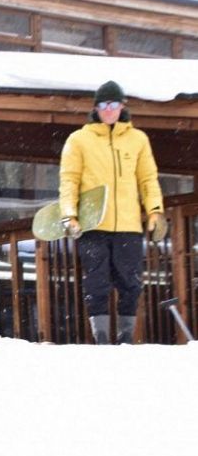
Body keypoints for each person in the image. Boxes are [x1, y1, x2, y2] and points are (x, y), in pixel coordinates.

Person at [59, 80, 165, 345]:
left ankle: (126, 337)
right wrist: (69, 214)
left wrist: (155, 211)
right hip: (93, 224)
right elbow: (69, 180)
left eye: (114, 104)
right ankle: (102, 338)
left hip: (128, 224)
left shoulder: (138, 139)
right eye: (104, 105)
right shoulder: (79, 139)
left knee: (130, 283)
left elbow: (148, 179)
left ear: (122, 107)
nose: (109, 110)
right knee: (97, 283)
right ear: (95, 108)